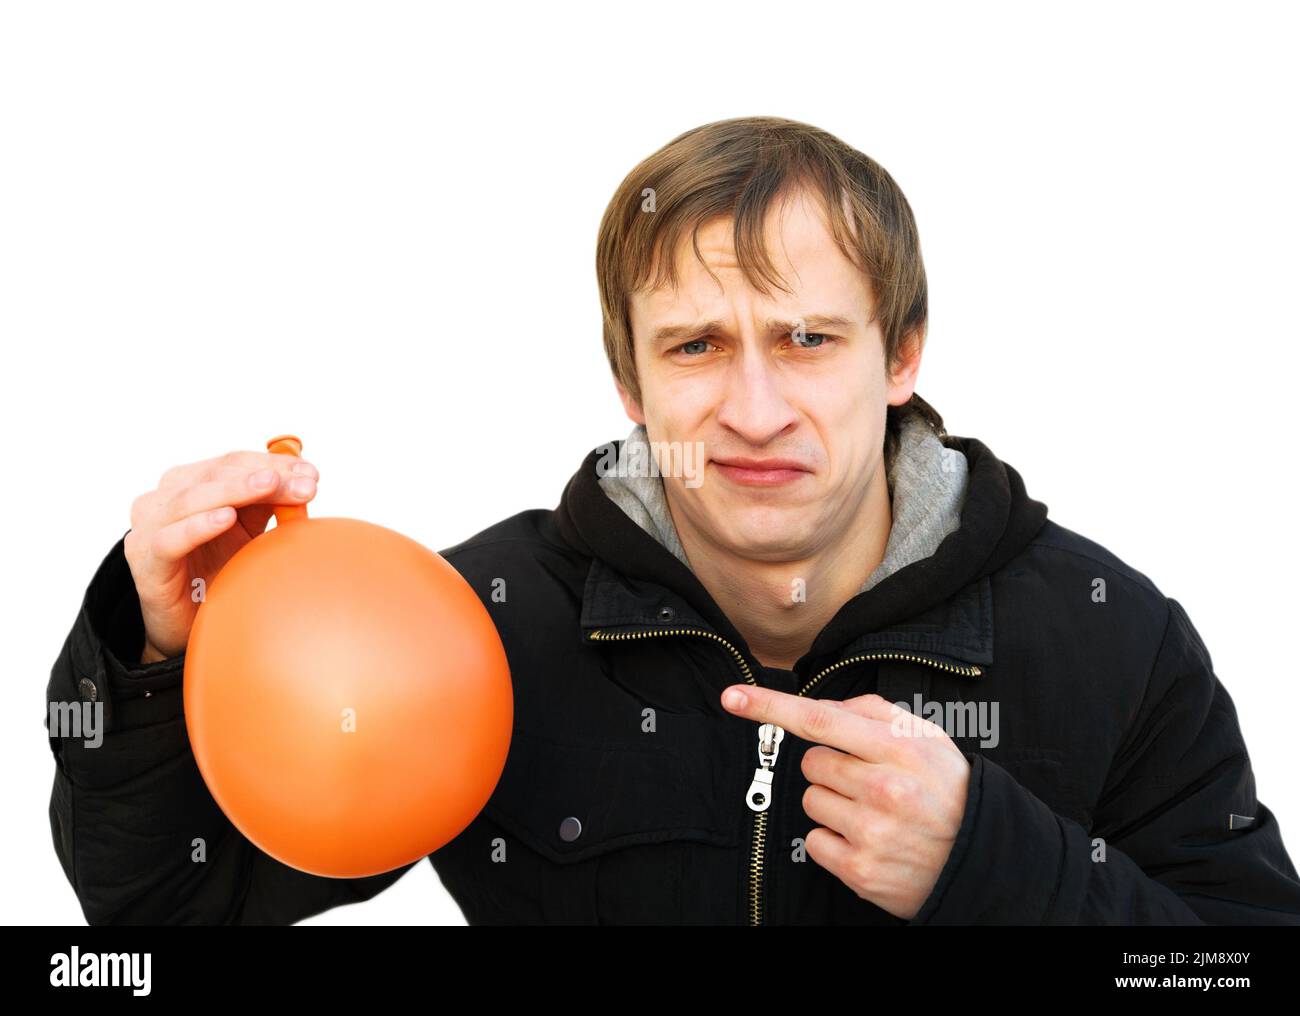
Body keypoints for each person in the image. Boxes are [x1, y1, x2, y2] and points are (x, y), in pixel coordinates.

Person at [45, 115, 1300, 925]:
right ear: (631, 382)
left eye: (808, 338)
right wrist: (153, 657)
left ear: (902, 353)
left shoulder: (1109, 634)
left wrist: (991, 864)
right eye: (697, 345)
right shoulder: (485, 620)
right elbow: (158, 908)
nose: (754, 408)